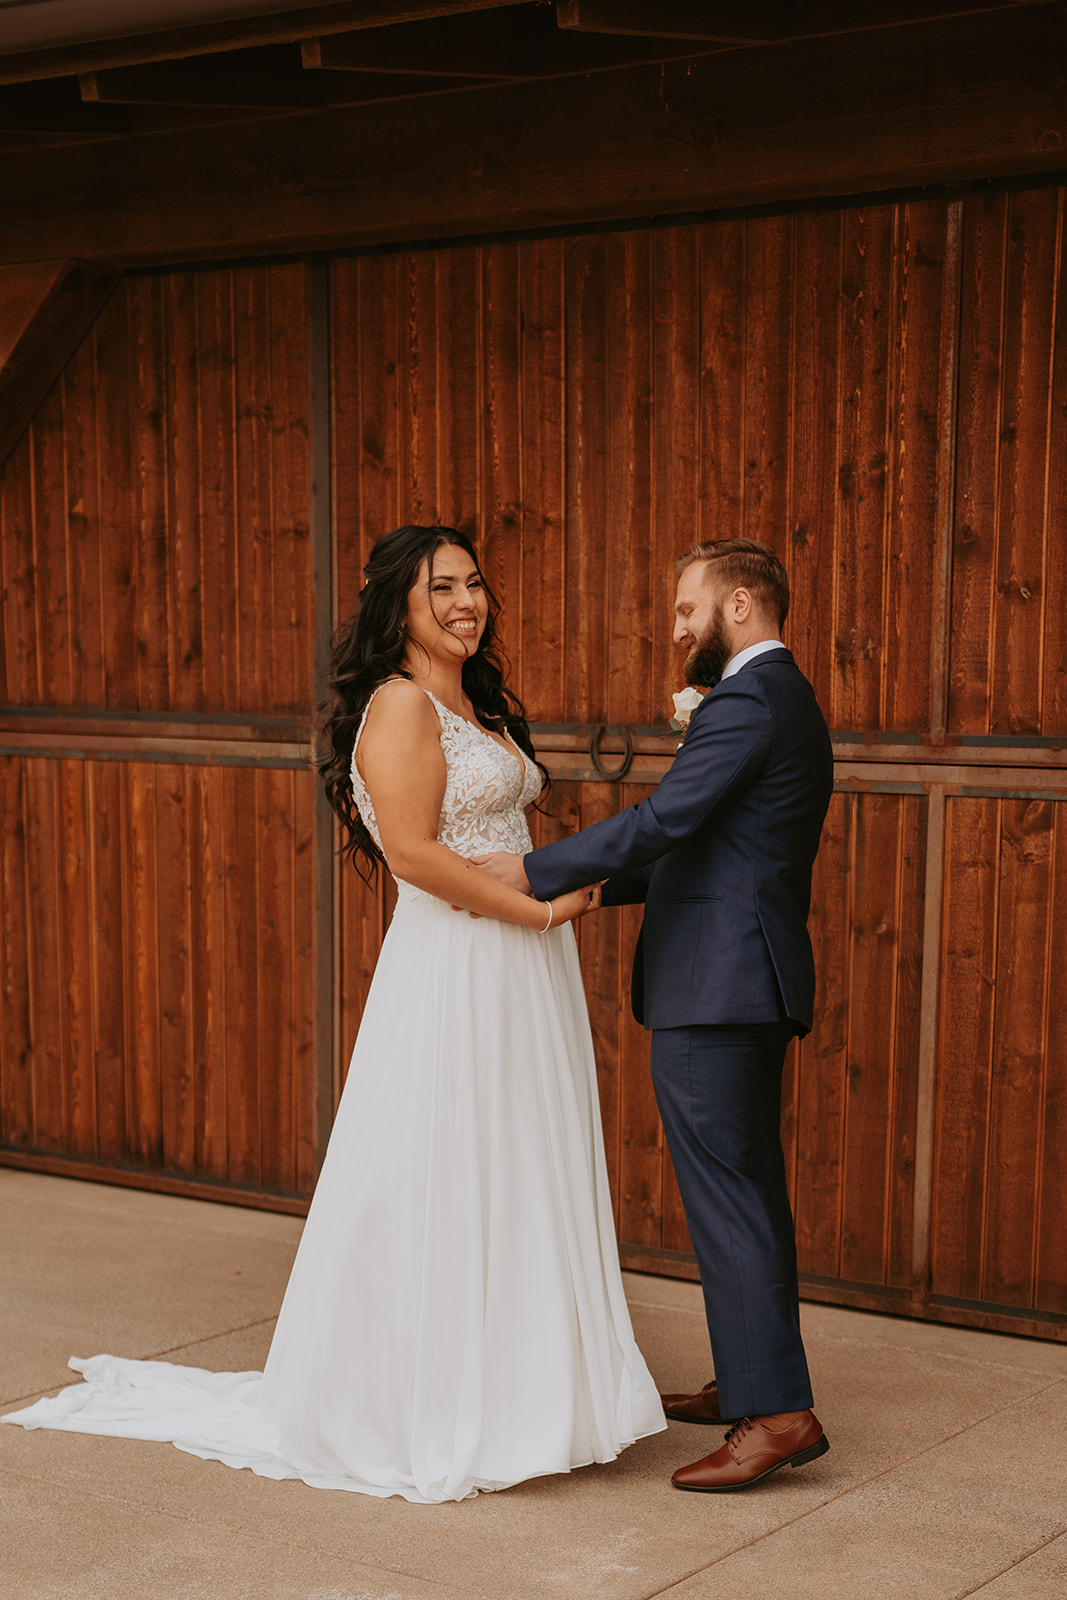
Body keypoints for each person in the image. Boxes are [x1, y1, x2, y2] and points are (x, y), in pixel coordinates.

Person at [3, 524, 665, 1502]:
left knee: (522, 1156)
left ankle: (537, 1395)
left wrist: (552, 904)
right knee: (451, 1162)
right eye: (440, 587)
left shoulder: (469, 700)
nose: (465, 602)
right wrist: (535, 907)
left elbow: (493, 827)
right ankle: (436, 1400)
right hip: (462, 960)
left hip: (526, 964)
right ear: (394, 601)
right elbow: (414, 854)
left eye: (475, 584)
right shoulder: (399, 704)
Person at [477, 537, 834, 1494]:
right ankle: (756, 1382)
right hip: (745, 985)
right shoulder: (778, 698)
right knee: (744, 1191)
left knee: (729, 1199)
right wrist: (606, 890)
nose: (677, 629)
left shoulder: (749, 700)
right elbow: (714, 844)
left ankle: (778, 1417)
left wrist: (538, 869)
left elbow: (669, 817)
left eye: (689, 610)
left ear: (744, 605)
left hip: (718, 992)